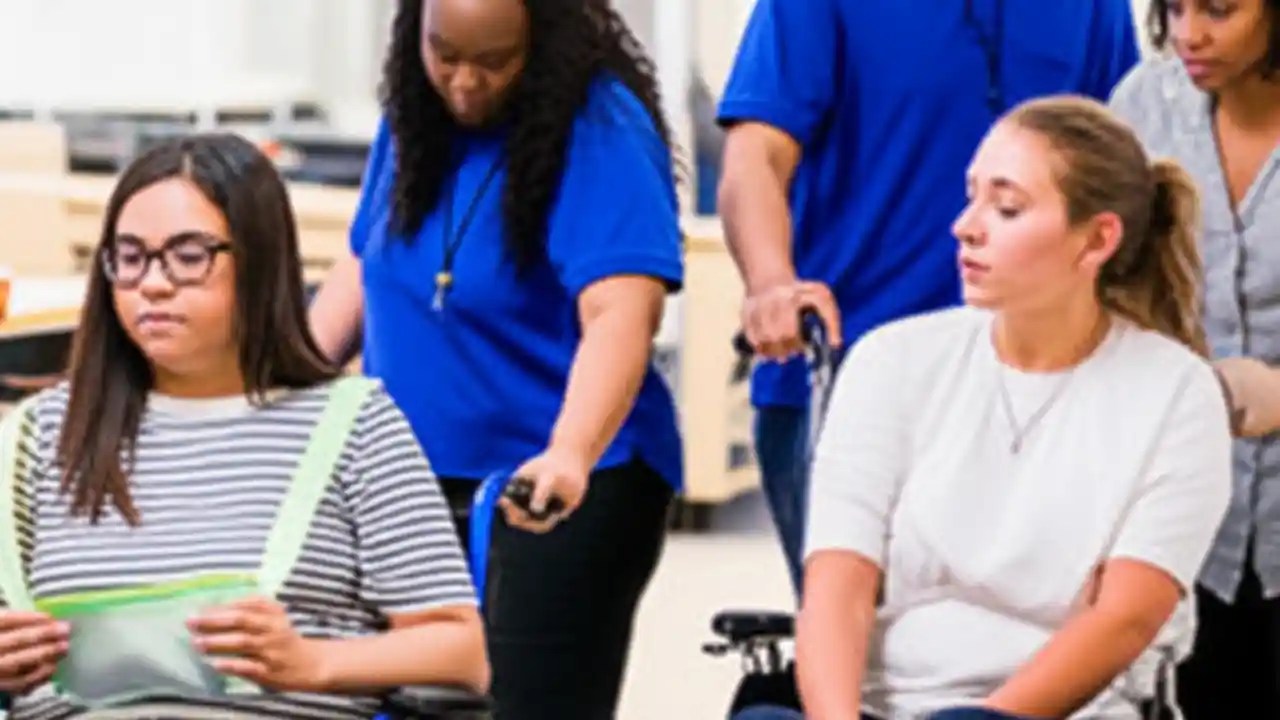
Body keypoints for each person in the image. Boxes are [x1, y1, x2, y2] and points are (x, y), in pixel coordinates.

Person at [0, 134, 488, 719]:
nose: (153, 283)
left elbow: (462, 652)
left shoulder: (355, 427)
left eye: (189, 256)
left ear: (257, 263)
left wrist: (311, 664)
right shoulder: (40, 434)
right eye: (130, 258)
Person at [785, 96, 1232, 720]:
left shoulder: (1177, 394)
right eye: (971, 196)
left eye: (1008, 207)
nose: (966, 226)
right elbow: (837, 587)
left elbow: (1124, 620)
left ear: (1098, 238)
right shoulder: (891, 361)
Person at [307, 0, 683, 716]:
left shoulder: (598, 124)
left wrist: (568, 451)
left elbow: (620, 314)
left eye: (494, 62)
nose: (465, 84)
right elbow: (366, 267)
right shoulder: (416, 114)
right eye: (445, 54)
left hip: (554, 484)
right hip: (408, 481)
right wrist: (277, 386)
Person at [715, 0, 1143, 595]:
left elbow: (1122, 169)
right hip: (848, 370)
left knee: (1028, 643)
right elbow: (756, 154)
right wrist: (770, 282)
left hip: (1039, 387)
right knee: (864, 654)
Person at [1107, 0, 1280, 715]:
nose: (1189, 34)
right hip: (1188, 525)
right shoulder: (1146, 104)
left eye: (1218, 9)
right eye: (1173, 7)